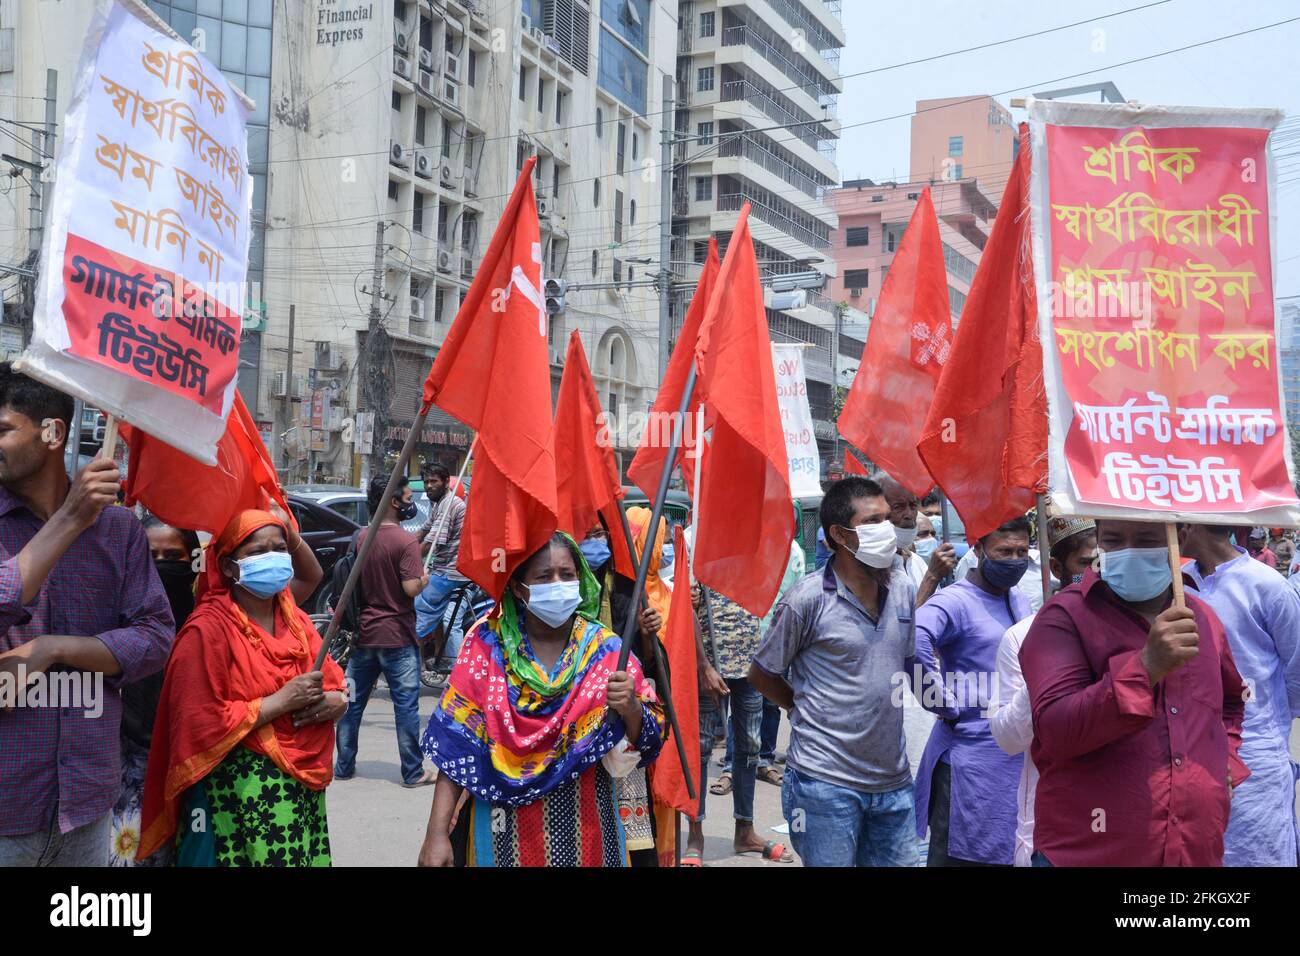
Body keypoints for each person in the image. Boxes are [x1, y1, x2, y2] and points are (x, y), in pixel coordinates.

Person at [0, 366, 174, 867]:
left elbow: (156, 637)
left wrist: (51, 649)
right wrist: (70, 518)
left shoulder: (117, 529)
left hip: (88, 802)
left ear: (53, 432)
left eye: (3, 429)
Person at [417, 532, 666, 867]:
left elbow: (650, 738)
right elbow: (455, 748)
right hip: (502, 831)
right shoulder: (486, 646)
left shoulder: (606, 651)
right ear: (520, 588)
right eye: (544, 576)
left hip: (588, 831)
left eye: (567, 575)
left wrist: (632, 709)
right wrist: (436, 833)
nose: (558, 584)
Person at [1019, 519, 1248, 866]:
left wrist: (1226, 761)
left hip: (1194, 852)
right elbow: (1056, 730)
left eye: (1145, 540)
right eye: (1113, 539)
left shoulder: (1202, 618)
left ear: (1179, 538)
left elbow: (1231, 700)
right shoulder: (1064, 617)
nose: (1129, 551)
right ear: (1098, 540)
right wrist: (1146, 667)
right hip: (1089, 854)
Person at [138, 508, 348, 865]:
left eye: (279, 548)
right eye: (256, 552)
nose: (272, 558)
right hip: (239, 793)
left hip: (304, 790)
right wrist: (279, 703)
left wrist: (336, 701)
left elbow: (331, 682)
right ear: (230, 566)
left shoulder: (294, 618)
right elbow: (196, 720)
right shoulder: (206, 630)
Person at [749, 477, 920, 867]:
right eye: (873, 522)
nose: (887, 531)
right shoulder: (807, 599)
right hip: (824, 783)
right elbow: (762, 673)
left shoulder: (903, 589)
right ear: (841, 535)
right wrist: (800, 706)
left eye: (888, 519)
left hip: (893, 782)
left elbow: (904, 663)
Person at [913, 516, 1034, 866]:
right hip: (968, 763)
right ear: (979, 549)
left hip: (1011, 757)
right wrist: (937, 700)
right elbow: (916, 636)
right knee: (960, 857)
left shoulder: (1019, 600)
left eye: (1021, 551)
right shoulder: (956, 601)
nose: (1013, 560)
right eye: (1004, 551)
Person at [1181, 523, 1300, 867]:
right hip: (1188, 751)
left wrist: (1264, 725)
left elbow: (1296, 673)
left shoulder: (1268, 586)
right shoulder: (1177, 584)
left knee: (1255, 853)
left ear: (1190, 526)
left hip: (1255, 755)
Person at [988, 515, 1096, 867]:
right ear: (1056, 566)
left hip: (1132, 825)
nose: (1096, 571)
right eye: (1086, 563)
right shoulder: (1023, 638)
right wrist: (1045, 672)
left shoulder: (1140, 631)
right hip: (1053, 833)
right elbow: (1007, 739)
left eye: (1104, 560)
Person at [689, 534, 804, 863]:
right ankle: (695, 835)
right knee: (701, 748)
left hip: (751, 670)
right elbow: (687, 611)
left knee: (750, 749)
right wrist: (703, 666)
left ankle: (745, 832)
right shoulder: (700, 556)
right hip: (710, 671)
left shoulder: (758, 559)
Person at [110, 517, 202, 867]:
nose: (162, 566)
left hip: (192, 769)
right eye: (152, 557)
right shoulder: (117, 619)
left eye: (174, 557)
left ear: (194, 562)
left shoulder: (208, 623)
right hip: (129, 771)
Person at [335, 475, 431, 787]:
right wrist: (424, 580)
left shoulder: (361, 537)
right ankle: (413, 772)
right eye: (406, 496)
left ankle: (344, 766)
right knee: (406, 708)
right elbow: (409, 588)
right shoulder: (406, 542)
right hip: (399, 637)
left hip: (364, 635)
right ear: (393, 501)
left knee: (351, 704)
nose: (410, 502)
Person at [415, 463, 468, 665]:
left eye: (434, 481)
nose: (429, 486)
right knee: (437, 616)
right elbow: (422, 531)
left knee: (415, 612)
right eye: (426, 482)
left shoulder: (450, 504)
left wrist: (408, 560)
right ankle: (439, 656)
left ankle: (412, 664)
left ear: (446, 482)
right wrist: (400, 547)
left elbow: (432, 541)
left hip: (450, 572)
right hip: (443, 569)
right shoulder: (439, 504)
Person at [877, 475, 956, 606]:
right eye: (898, 507)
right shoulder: (871, 566)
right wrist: (932, 577)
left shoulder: (917, 562)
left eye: (913, 506)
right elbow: (901, 625)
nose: (909, 514)